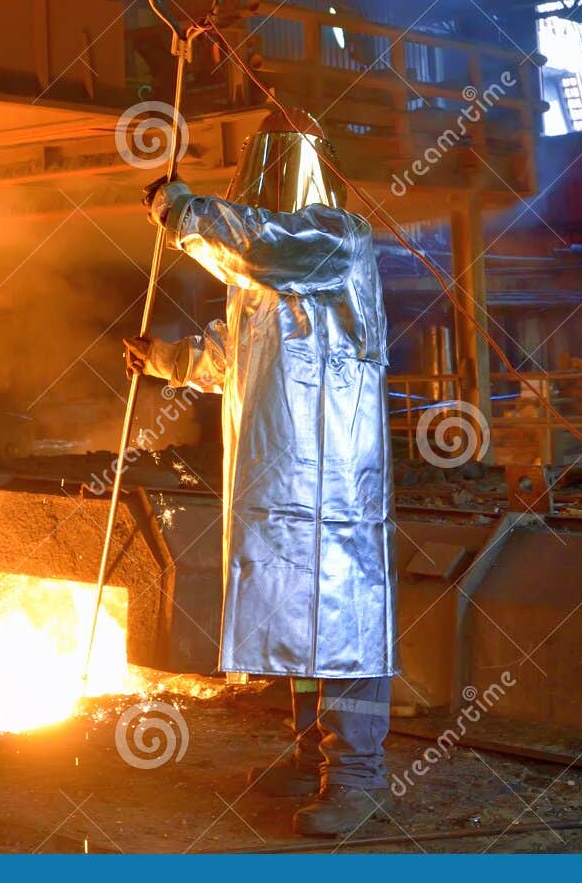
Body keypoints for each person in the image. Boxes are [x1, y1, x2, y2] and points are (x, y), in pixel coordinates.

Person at [124, 107, 396, 838]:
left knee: (343, 622)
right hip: (276, 472)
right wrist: (168, 358)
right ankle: (313, 757)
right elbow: (234, 352)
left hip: (335, 475)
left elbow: (263, 246)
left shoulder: (335, 239)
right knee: (296, 620)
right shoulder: (263, 273)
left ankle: (359, 774)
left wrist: (183, 213)